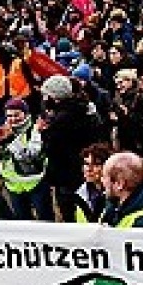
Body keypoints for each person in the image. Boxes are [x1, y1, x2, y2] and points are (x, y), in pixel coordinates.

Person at [37, 75, 102, 223]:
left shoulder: (62, 120)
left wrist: (44, 132)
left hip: (66, 173)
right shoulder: (86, 109)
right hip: (84, 168)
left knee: (70, 211)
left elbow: (52, 149)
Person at [0, 98, 52, 221]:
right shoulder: (3, 131)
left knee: (45, 219)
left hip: (35, 183)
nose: (13, 119)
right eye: (9, 116)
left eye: (17, 115)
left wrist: (11, 140)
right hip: (13, 186)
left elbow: (30, 155)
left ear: (26, 114)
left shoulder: (35, 130)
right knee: (22, 221)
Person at [73, 143, 112, 223]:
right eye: (86, 164)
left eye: (95, 164)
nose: (89, 169)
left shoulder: (115, 195)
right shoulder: (78, 195)